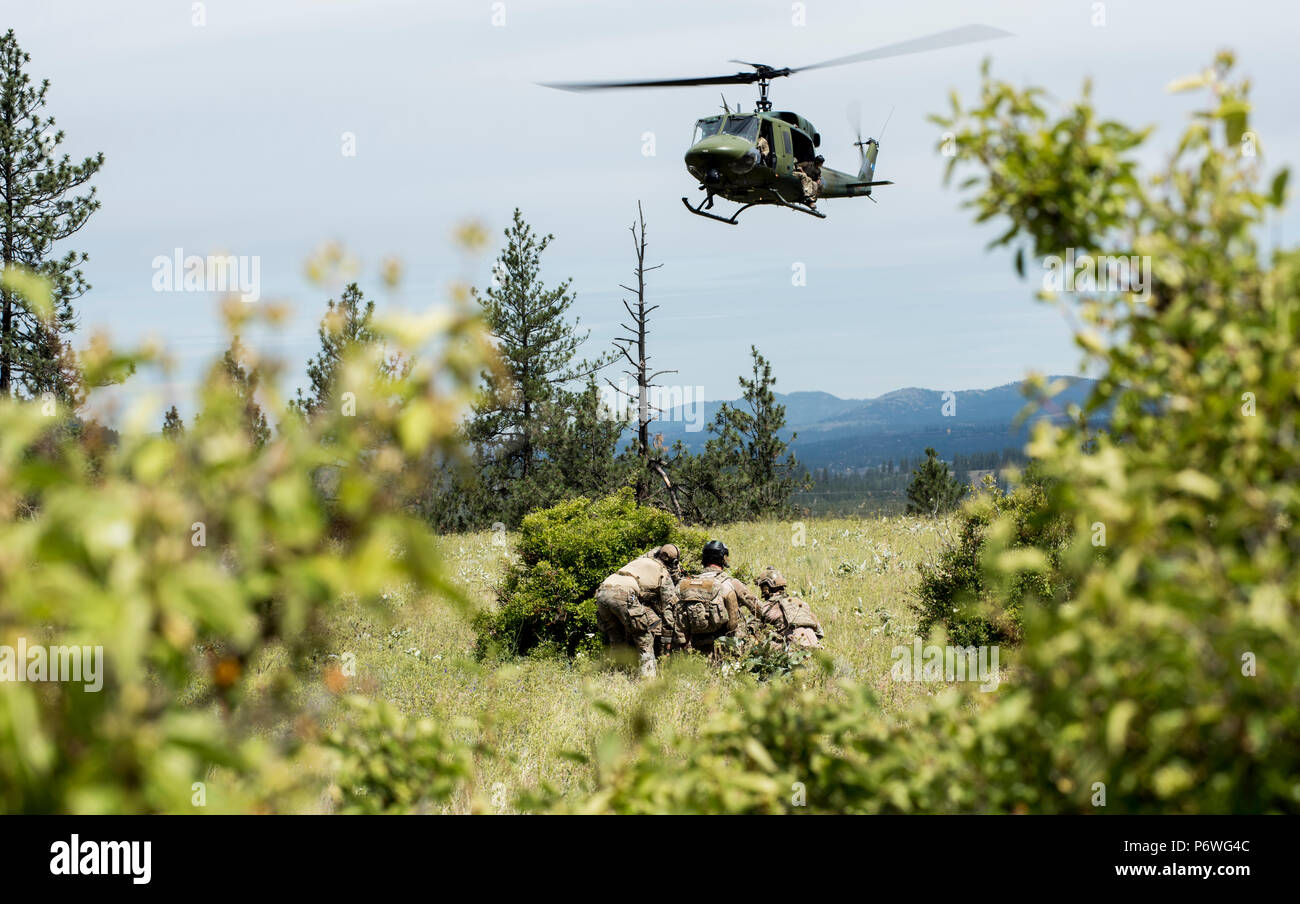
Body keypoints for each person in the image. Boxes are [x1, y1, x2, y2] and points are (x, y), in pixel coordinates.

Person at [595, 544, 681, 677]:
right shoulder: (663, 572)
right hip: (624, 593)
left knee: (616, 639)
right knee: (644, 638)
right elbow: (668, 610)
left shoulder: (639, 561)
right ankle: (648, 680)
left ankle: (615, 677)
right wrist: (667, 640)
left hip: (602, 592)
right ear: (673, 562)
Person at [677, 540, 759, 656]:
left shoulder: (688, 584)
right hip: (726, 648)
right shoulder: (729, 583)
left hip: (697, 647)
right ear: (723, 559)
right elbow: (757, 608)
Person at [753, 566, 824, 649]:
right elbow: (820, 633)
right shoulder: (800, 602)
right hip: (815, 646)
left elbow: (755, 627)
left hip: (795, 649)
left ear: (766, 588)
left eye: (762, 587)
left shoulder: (768, 607)